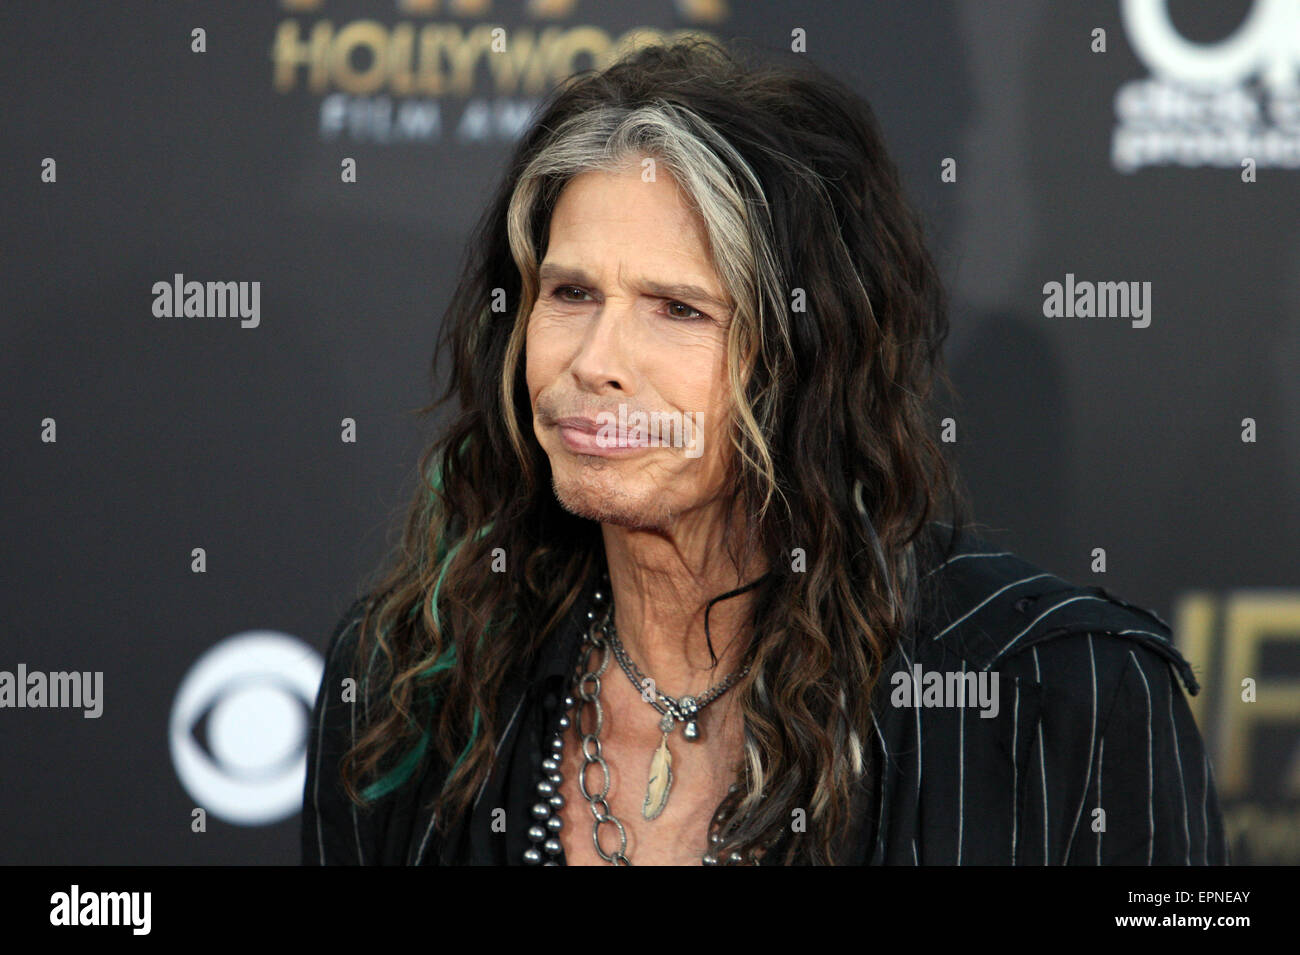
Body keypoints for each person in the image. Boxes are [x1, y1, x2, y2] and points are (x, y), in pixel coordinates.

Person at [302, 38, 1226, 866]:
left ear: (809, 358)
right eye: (571, 292)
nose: (594, 363)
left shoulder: (1066, 702)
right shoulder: (407, 683)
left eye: (679, 309)